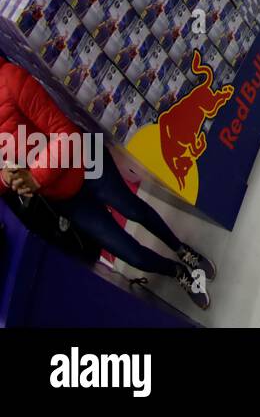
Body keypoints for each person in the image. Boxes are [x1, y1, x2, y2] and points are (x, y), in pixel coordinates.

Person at [0, 54, 216, 311]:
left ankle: (182, 250)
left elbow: (64, 132)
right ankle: (176, 271)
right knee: (130, 253)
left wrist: (36, 177)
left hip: (86, 161)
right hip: (66, 198)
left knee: (134, 209)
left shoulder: (9, 79)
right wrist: (6, 178)